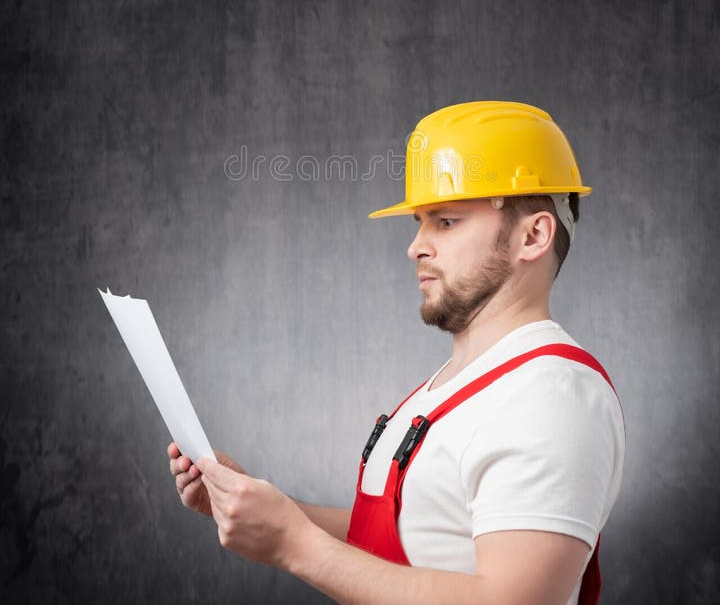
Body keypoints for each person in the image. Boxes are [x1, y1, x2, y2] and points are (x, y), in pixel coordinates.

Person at [169, 101, 625, 605]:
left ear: (533, 235)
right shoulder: (458, 385)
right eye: (419, 222)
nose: (416, 247)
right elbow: (409, 538)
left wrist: (292, 545)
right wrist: (262, 507)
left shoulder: (551, 396)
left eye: (446, 221)